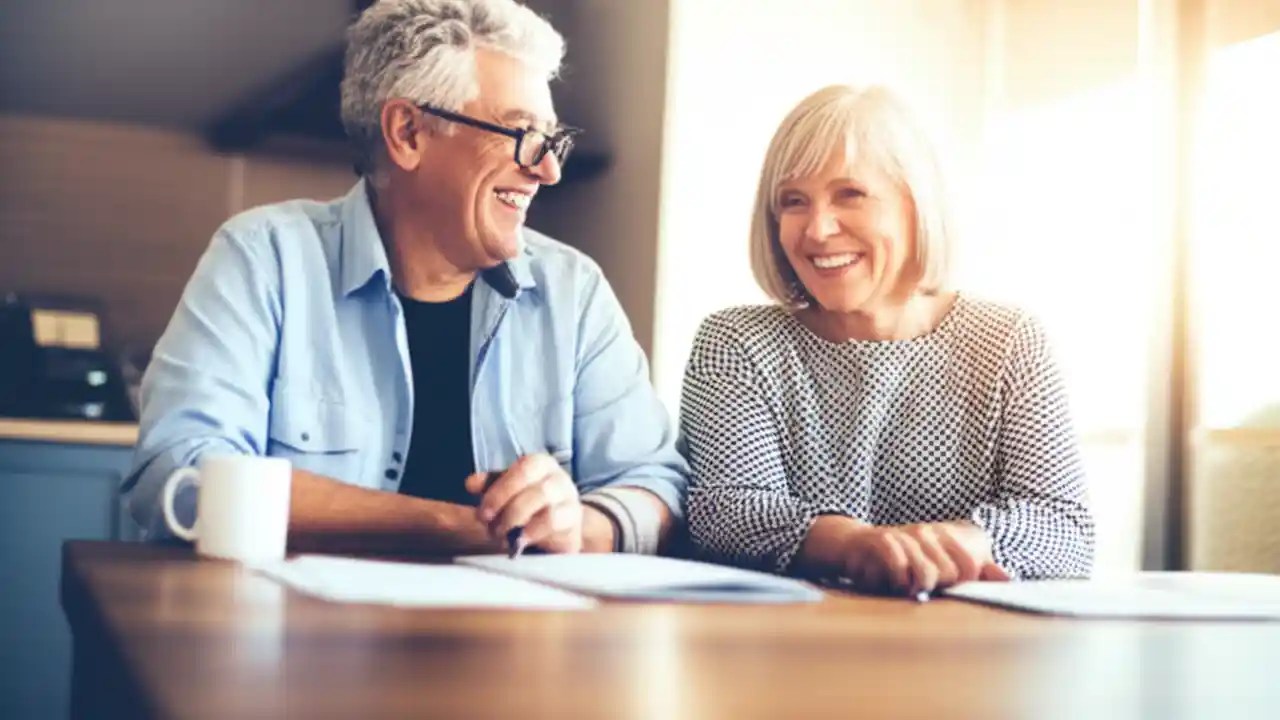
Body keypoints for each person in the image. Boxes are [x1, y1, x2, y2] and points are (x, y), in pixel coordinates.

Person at [124, 0, 687, 556]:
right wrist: (456, 527)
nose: (547, 169)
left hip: (517, 643)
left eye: (551, 140)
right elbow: (182, 475)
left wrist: (576, 527)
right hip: (299, 640)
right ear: (409, 133)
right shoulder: (263, 259)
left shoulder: (575, 294)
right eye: (521, 134)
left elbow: (656, 488)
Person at [679, 85, 1094, 596]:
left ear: (914, 205)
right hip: (787, 648)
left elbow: (1065, 528)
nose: (817, 229)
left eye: (849, 194)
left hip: (968, 654)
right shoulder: (737, 341)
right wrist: (854, 544)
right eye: (794, 202)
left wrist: (961, 544)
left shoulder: (1008, 340)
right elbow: (727, 515)